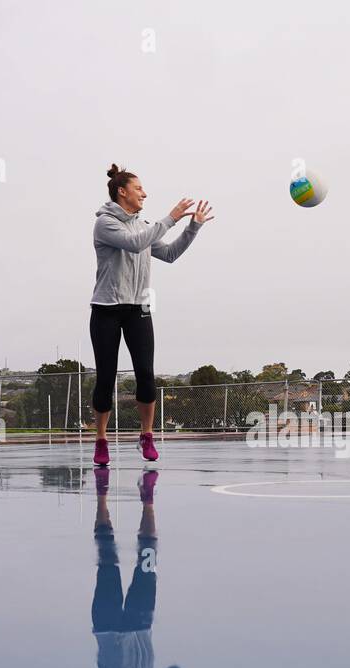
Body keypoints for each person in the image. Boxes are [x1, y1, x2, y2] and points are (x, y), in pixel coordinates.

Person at [91, 468, 217, 668]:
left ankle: (101, 495)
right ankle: (147, 499)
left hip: (108, 625)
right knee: (149, 556)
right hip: (140, 622)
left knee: (108, 557)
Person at [90, 164, 214, 466]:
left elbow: (169, 254)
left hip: (139, 310)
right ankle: (102, 439)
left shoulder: (144, 225)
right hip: (106, 310)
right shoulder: (105, 224)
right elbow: (134, 244)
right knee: (105, 378)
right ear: (122, 191)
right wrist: (171, 217)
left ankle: (146, 435)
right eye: (139, 188)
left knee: (146, 375)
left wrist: (192, 227)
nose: (145, 193)